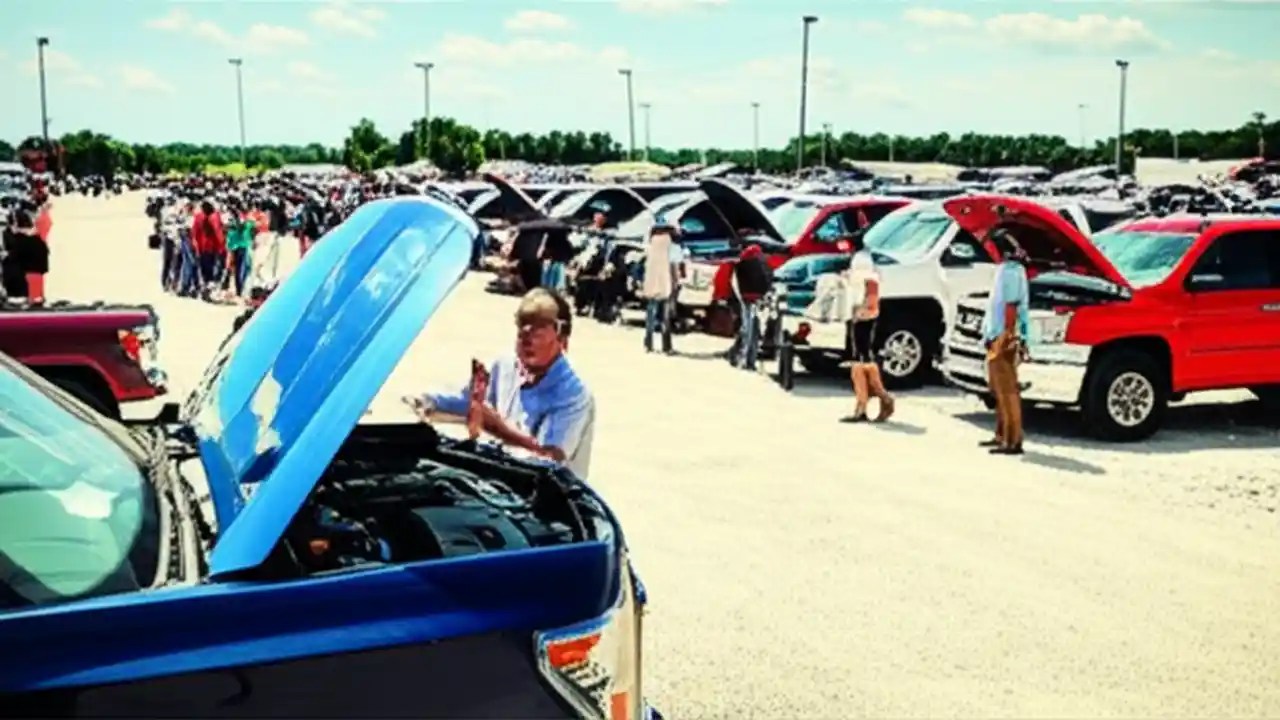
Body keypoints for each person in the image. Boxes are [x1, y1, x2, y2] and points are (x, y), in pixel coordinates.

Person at [407, 288, 595, 476]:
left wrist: (494, 425)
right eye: (523, 323)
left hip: (547, 497)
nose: (526, 333)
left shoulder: (572, 393)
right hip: (501, 482)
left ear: (561, 338)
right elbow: (470, 402)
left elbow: (548, 458)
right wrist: (430, 401)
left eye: (539, 326)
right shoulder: (505, 365)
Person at [981, 226, 1031, 455]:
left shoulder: (1010, 272)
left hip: (1003, 337)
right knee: (999, 388)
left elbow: (1011, 306)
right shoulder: (1010, 269)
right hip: (998, 335)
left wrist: (1003, 338)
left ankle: (1012, 440)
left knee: (1007, 389)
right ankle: (1002, 434)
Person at [840, 244, 894, 423]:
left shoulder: (870, 281)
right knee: (859, 362)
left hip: (863, 319)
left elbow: (872, 303)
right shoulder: (862, 278)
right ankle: (864, 404)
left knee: (863, 361)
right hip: (858, 317)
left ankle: (877, 398)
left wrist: (860, 313)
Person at [640, 225, 682, 354]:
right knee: (665, 316)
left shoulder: (651, 243)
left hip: (652, 282)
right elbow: (675, 265)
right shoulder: (673, 246)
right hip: (666, 282)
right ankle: (666, 346)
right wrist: (676, 283)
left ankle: (648, 344)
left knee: (651, 314)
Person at [730, 244, 772, 371]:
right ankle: (749, 360)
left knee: (747, 329)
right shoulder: (762, 262)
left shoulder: (740, 262)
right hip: (756, 299)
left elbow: (735, 283)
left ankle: (742, 358)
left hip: (746, 299)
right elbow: (768, 281)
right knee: (753, 330)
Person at [191, 199, 226, 294]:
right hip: (212, 247)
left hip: (203, 247)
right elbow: (218, 232)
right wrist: (222, 246)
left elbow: (194, 233)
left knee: (204, 269)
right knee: (211, 268)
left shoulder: (199, 217)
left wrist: (196, 246)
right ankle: (208, 288)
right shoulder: (214, 216)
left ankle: (205, 287)